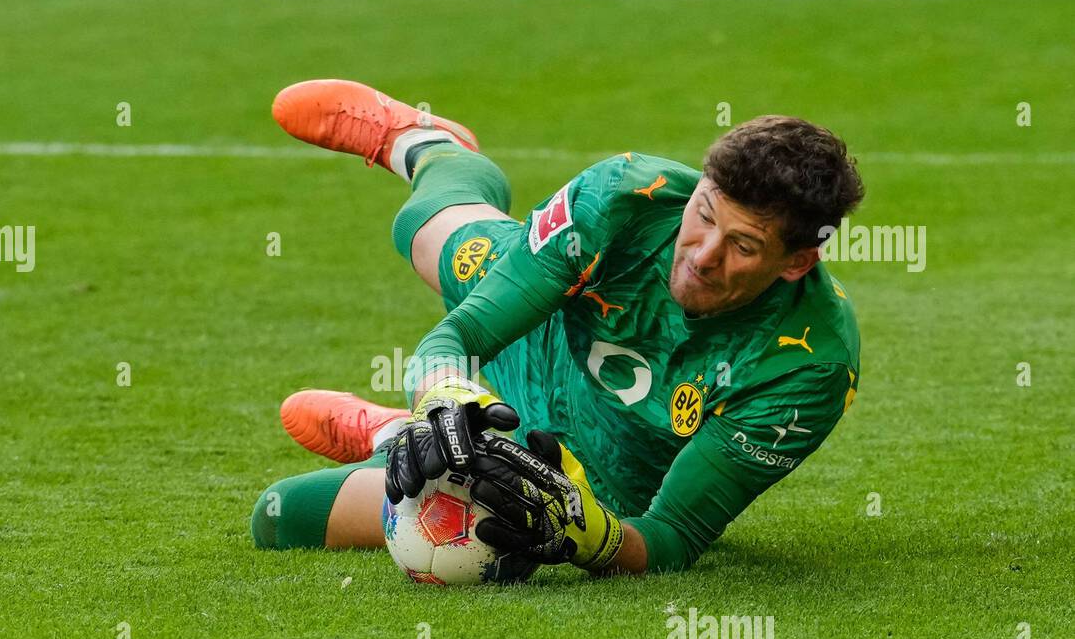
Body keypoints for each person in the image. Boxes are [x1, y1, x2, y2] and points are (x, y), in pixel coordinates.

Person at [252, 79, 863, 576]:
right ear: (697, 189)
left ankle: (394, 435)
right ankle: (429, 146)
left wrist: (585, 535)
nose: (703, 254)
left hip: (585, 489)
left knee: (281, 517)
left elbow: (674, 535)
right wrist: (449, 396)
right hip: (535, 332)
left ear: (796, 261)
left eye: (744, 246)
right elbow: (456, 341)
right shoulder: (625, 197)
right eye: (702, 216)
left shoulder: (810, 366)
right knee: (427, 231)